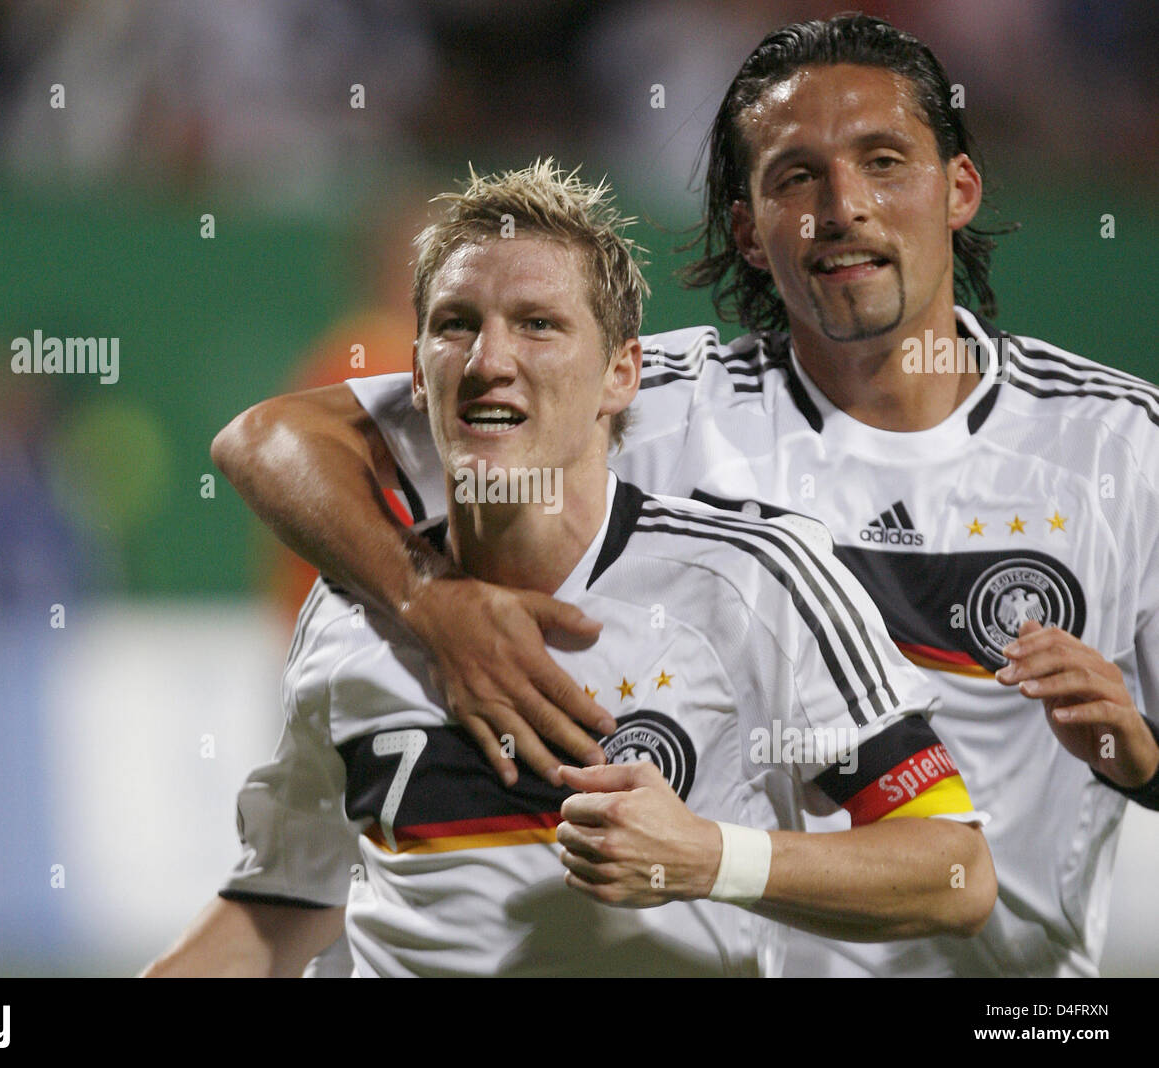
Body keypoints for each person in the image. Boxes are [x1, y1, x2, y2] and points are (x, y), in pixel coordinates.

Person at [205, 15, 1159, 978]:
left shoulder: (1122, 447)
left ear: (958, 188)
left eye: (883, 162)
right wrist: (425, 600)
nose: (844, 208)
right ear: (748, 227)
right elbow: (269, 439)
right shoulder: (645, 398)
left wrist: (1147, 759)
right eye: (795, 176)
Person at [144, 161, 995, 977]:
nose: (488, 360)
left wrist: (711, 859)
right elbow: (288, 898)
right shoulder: (347, 617)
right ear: (415, 374)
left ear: (621, 374)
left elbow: (956, 871)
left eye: (539, 324)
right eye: (455, 324)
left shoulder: (752, 580)